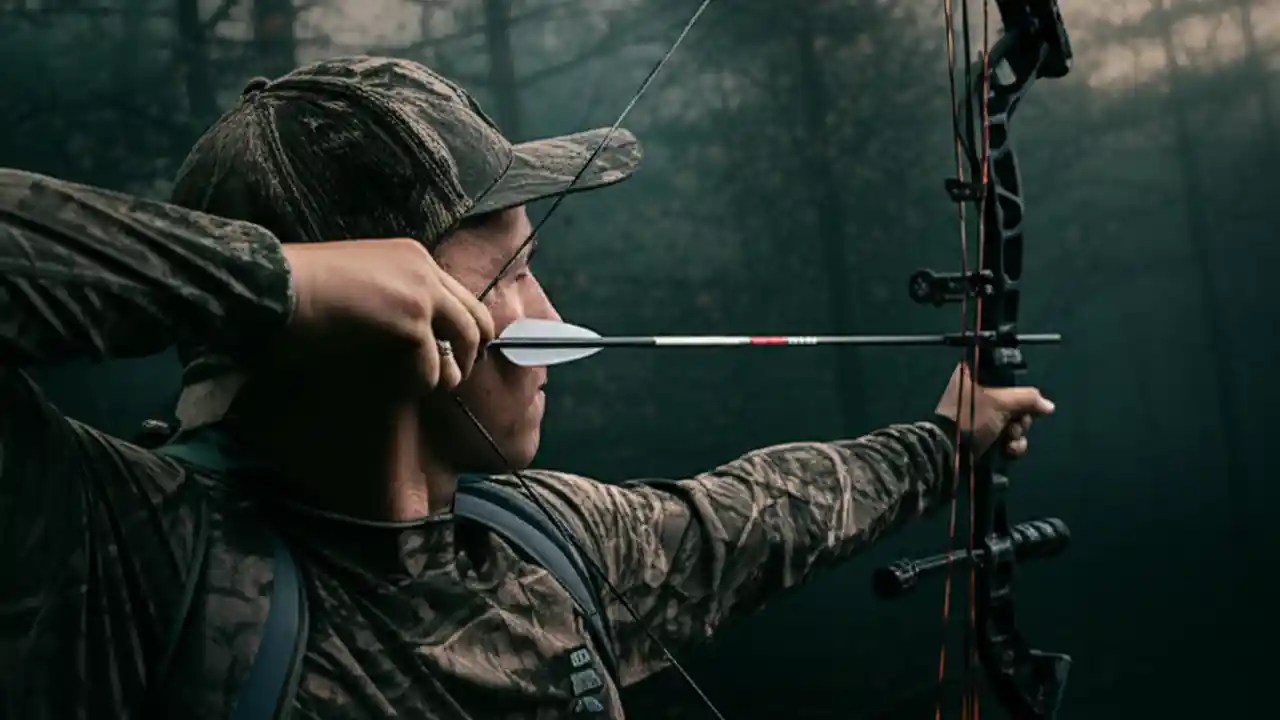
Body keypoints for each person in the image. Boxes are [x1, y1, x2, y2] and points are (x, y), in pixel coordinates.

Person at [0, 56, 1054, 719]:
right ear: (381, 314)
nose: (547, 308)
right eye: (505, 273)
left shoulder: (541, 543)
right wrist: (271, 284)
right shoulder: (119, 554)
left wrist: (944, 438)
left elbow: (761, 514)